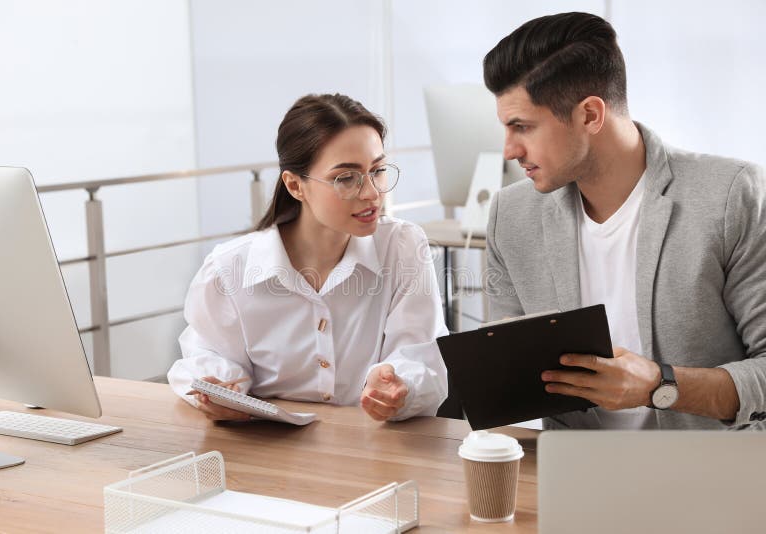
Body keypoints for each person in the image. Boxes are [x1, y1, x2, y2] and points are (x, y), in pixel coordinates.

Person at [482, 12, 766, 429]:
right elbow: (504, 374)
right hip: (573, 463)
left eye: (522, 127)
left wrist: (659, 386)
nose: (509, 150)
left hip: (704, 462)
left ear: (590, 115)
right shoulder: (511, 216)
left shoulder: (729, 197)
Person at [167, 93, 448, 422]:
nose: (372, 192)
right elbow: (206, 355)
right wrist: (222, 391)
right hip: (264, 443)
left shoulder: (402, 247)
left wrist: (398, 388)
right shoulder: (230, 269)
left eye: (378, 170)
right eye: (346, 178)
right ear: (295, 185)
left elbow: (421, 359)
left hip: (372, 441)